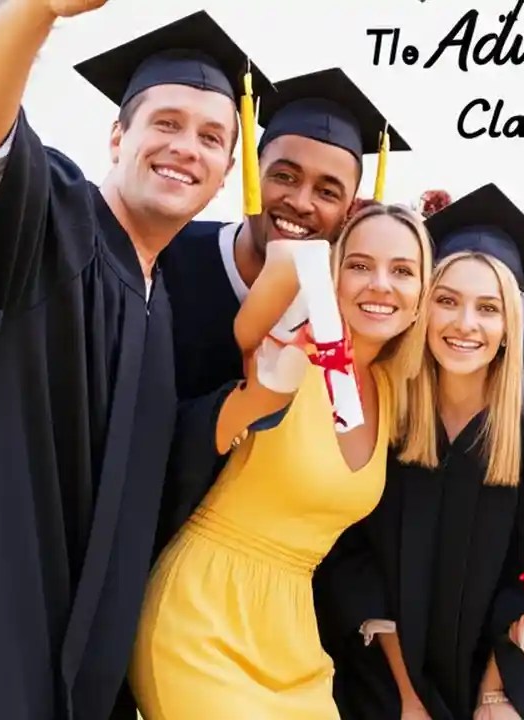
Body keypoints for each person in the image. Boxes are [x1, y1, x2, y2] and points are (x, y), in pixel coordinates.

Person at [0, 6, 265, 719]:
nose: (186, 146)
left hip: (68, 671)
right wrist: (34, 11)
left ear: (224, 175)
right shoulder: (51, 223)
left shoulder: (160, 304)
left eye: (211, 137)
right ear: (117, 136)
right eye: (165, 123)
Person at [128, 202, 432, 719]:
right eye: (359, 265)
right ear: (331, 275)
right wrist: (316, 261)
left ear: (422, 296)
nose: (381, 283)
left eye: (402, 271)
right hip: (201, 617)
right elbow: (288, 259)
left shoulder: (393, 391)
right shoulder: (288, 349)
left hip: (292, 638)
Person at [320, 184, 524, 720]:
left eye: (488, 308)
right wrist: (408, 700)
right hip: (386, 675)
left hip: (499, 676)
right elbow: (356, 562)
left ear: (507, 326)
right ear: (423, 310)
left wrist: (496, 692)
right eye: (446, 301)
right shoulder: (387, 416)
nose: (465, 324)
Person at [158, 66, 412, 544]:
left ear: (351, 210)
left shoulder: (333, 318)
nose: (300, 201)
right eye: (284, 176)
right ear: (251, 173)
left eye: (328, 192)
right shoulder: (171, 254)